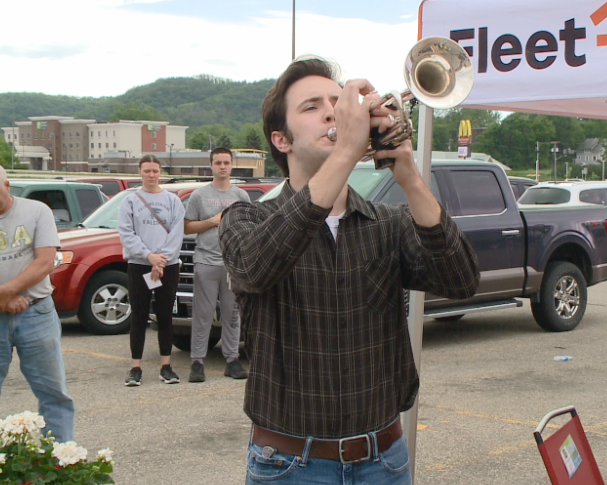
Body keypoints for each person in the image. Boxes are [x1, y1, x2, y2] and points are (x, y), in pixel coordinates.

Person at [219, 55, 480, 484]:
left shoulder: (387, 223)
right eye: (311, 107)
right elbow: (255, 269)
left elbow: (462, 280)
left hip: (384, 459)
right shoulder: (245, 220)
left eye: (337, 101)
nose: (332, 111)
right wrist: (346, 149)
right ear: (281, 141)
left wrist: (410, 177)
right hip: (288, 465)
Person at [0, 166, 75, 442]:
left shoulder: (37, 211)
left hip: (36, 312)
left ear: (7, 187)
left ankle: (60, 463)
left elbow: (44, 262)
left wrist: (6, 292)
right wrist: (4, 301)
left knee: (53, 394)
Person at [183, 147, 249, 382]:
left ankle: (231, 359)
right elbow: (188, 227)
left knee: (232, 314)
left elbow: (248, 227)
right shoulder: (199, 196)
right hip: (206, 261)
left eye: (226, 162)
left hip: (232, 265)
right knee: (203, 313)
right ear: (211, 165)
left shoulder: (241, 196)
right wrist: (212, 221)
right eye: (218, 163)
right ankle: (197, 362)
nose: (222, 166)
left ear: (232, 165)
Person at [118, 155, 185, 386]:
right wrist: (149, 256)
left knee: (165, 315)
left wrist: (161, 261)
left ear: (160, 172)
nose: (151, 175)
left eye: (155, 170)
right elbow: (127, 234)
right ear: (140, 172)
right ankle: (135, 367)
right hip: (139, 265)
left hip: (168, 266)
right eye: (146, 170)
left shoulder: (172, 201)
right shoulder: (130, 201)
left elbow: (177, 232)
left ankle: (166, 366)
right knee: (138, 316)